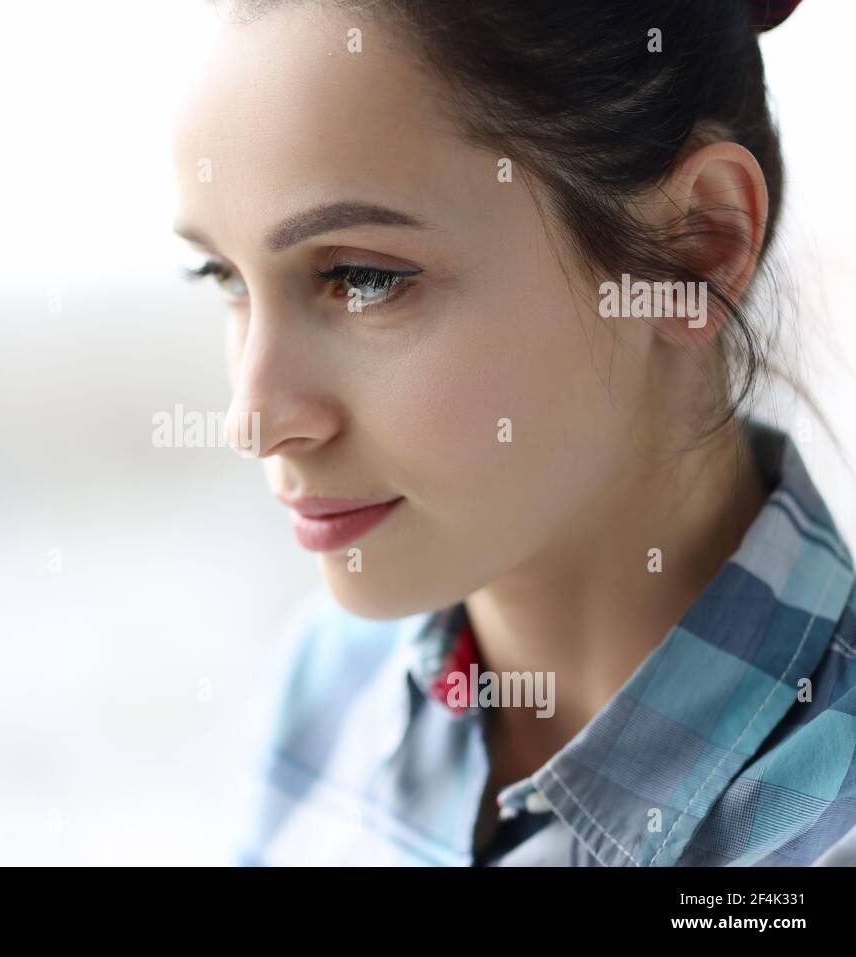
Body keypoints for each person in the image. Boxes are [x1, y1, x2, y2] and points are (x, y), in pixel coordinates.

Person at [171, 0, 856, 865]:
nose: (253, 417)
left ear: (695, 247)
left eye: (363, 278)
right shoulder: (326, 684)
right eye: (222, 275)